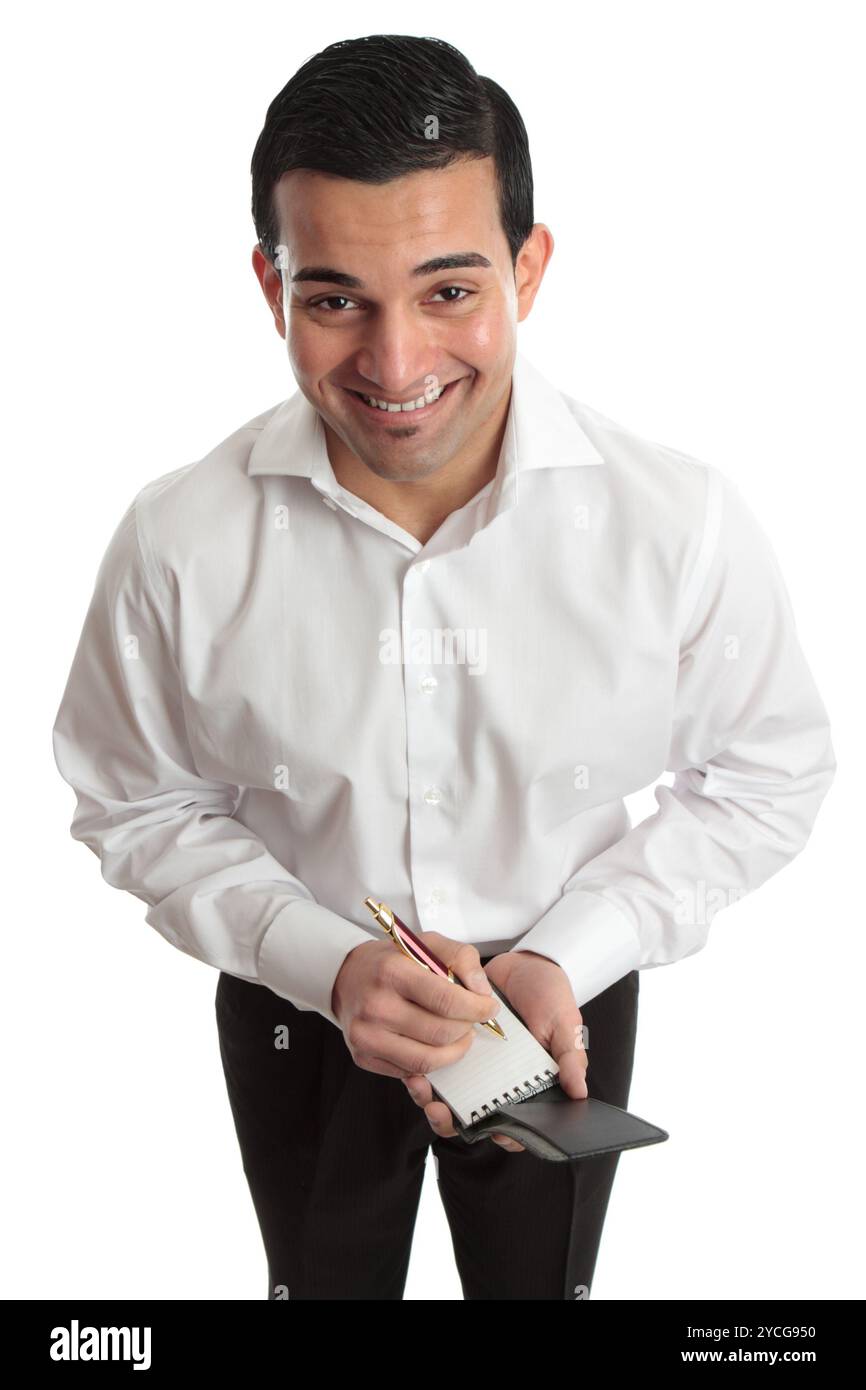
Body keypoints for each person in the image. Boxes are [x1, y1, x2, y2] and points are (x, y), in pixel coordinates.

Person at [52, 34, 836, 1300]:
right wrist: (320, 957)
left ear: (528, 268)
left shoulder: (675, 520)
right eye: (333, 298)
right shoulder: (176, 538)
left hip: (561, 998)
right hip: (294, 1006)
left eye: (448, 290)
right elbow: (130, 797)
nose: (397, 365)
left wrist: (572, 947)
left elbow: (767, 770)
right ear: (270, 285)